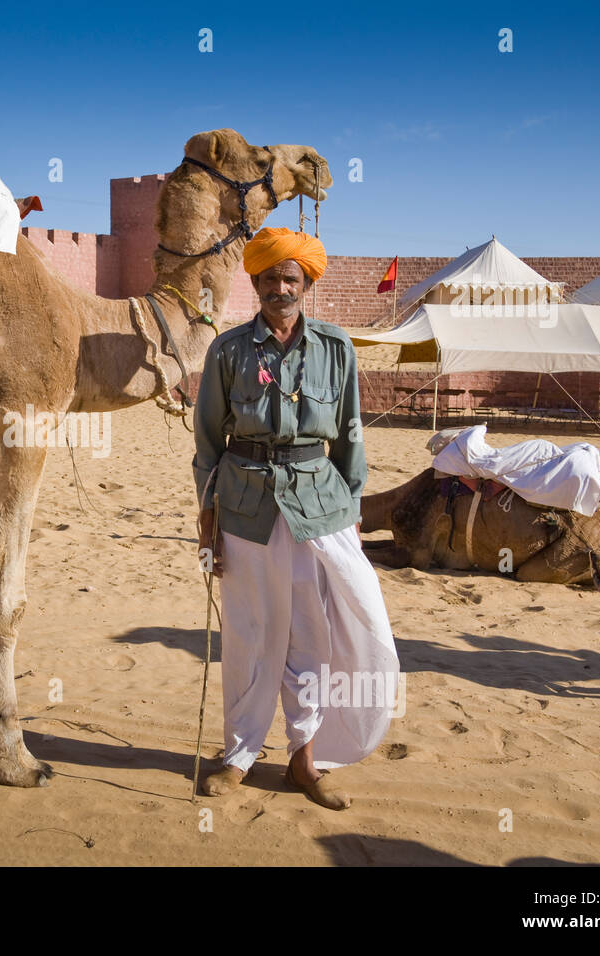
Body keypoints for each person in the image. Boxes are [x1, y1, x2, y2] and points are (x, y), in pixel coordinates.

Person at [192, 226, 400, 810]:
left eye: (291, 277)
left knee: (314, 635)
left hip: (320, 506)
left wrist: (353, 510)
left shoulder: (337, 348)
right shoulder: (229, 351)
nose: (280, 287)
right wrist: (206, 519)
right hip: (245, 505)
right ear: (255, 282)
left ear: (306, 283)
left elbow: (352, 436)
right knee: (250, 633)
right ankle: (238, 753)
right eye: (270, 278)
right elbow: (208, 441)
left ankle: (304, 758)